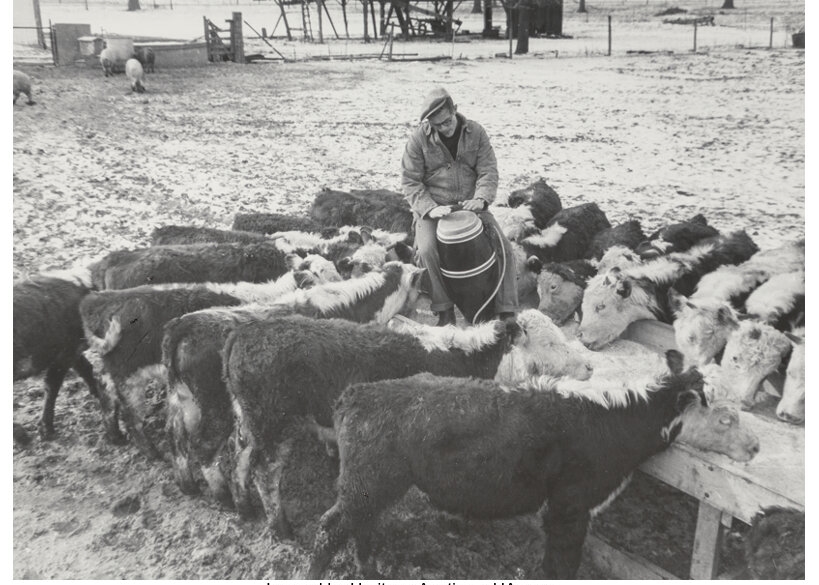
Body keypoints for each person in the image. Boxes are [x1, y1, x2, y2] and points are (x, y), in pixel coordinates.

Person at [401, 87, 518, 327]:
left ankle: (507, 310)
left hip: (471, 204)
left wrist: (481, 199)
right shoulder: (417, 140)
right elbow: (410, 181)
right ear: (429, 124)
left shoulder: (477, 133)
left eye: (447, 121)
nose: (444, 128)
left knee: (505, 248)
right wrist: (429, 208)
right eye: (438, 125)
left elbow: (488, 170)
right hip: (433, 208)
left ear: (455, 110)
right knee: (426, 250)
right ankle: (444, 309)